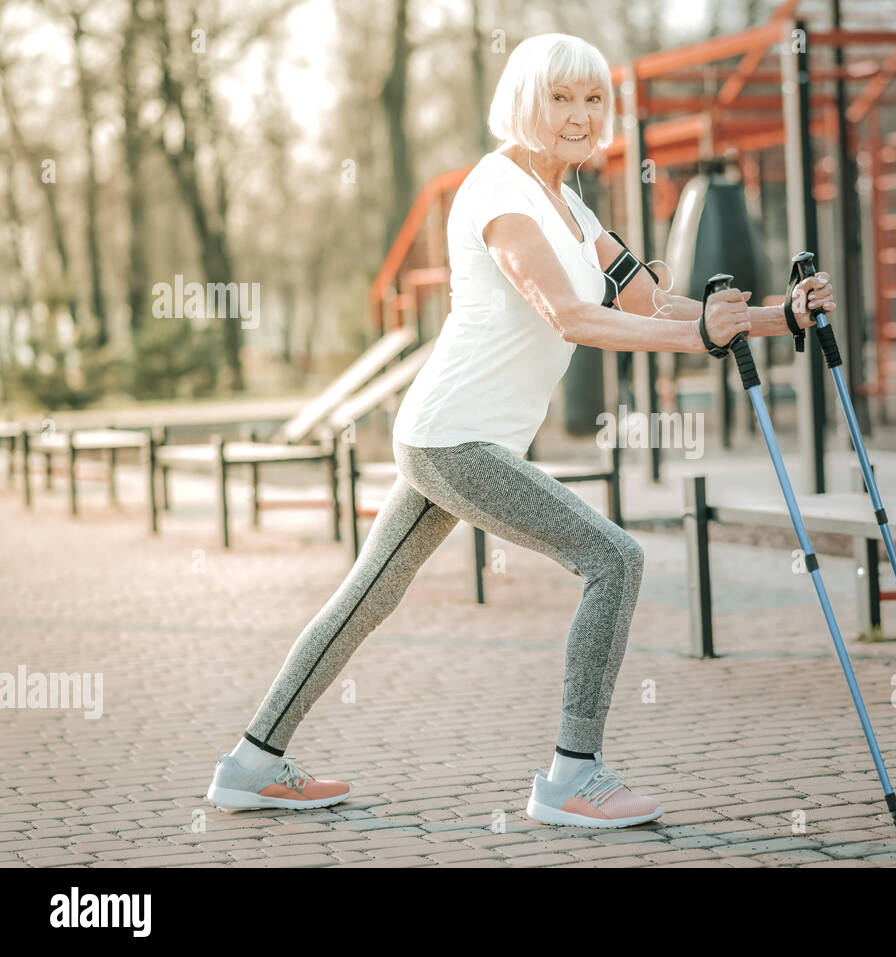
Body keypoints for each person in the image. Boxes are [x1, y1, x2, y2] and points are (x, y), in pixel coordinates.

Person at [205, 32, 835, 828]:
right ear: (524, 101)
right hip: (453, 437)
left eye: (592, 99)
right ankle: (574, 775)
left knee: (366, 596)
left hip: (460, 437)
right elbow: (569, 314)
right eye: (561, 97)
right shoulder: (499, 192)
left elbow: (655, 305)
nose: (579, 114)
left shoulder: (569, 205)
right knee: (614, 557)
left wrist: (781, 316)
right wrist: (696, 338)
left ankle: (251, 761)